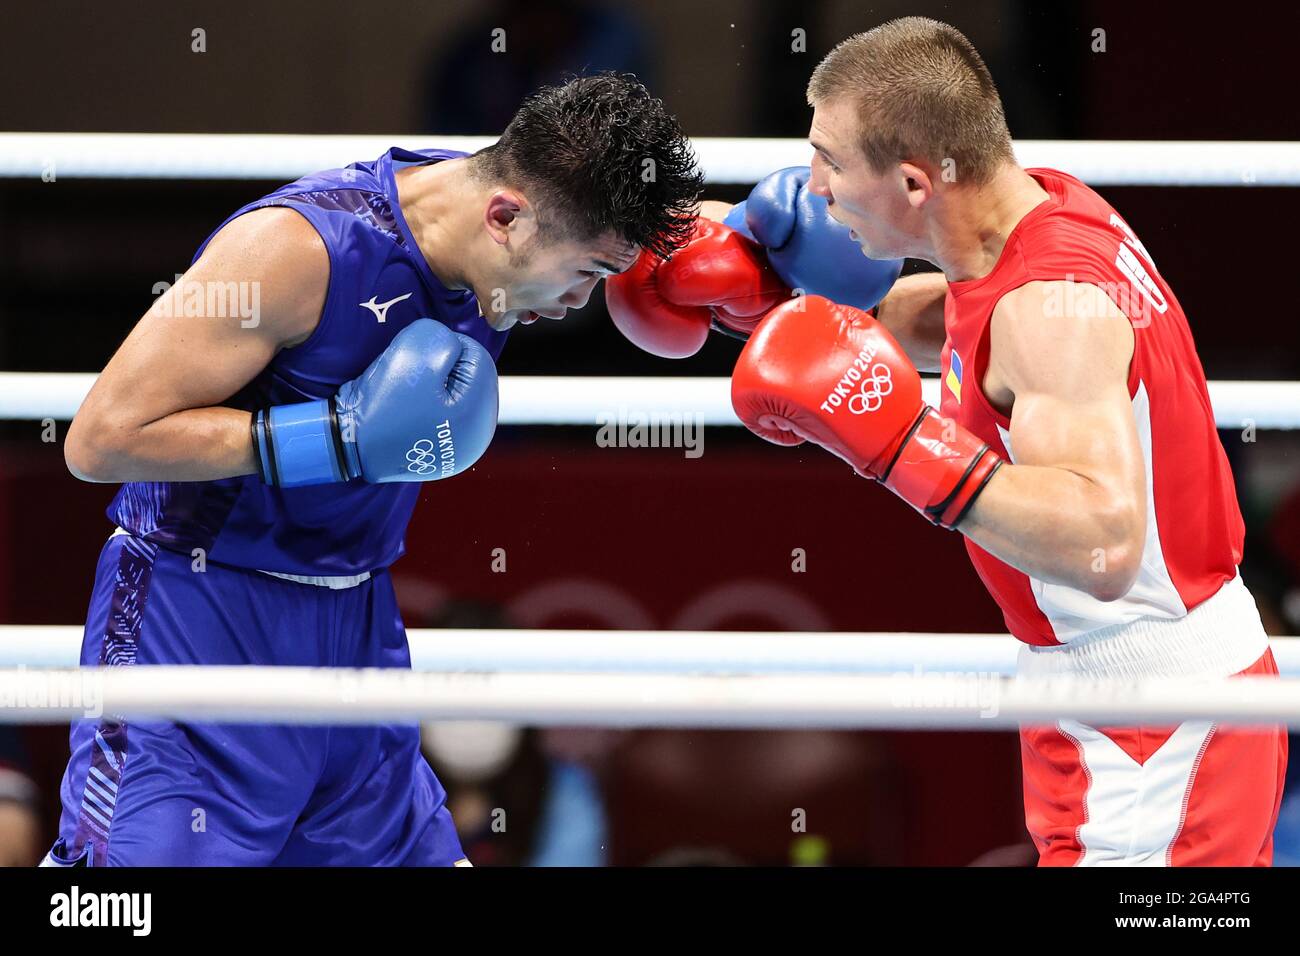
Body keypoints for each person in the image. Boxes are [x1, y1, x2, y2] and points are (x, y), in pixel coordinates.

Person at [607, 17, 1286, 866]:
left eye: (832, 161)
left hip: (1151, 723)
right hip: (1138, 699)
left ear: (917, 183)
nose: (813, 187)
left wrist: (898, 445)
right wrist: (769, 307)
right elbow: (968, 324)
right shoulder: (1040, 211)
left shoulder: (1049, 311)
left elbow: (1105, 543)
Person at [45, 73, 703, 866]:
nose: (577, 304)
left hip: (357, 624)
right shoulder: (294, 250)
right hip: (197, 618)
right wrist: (335, 438)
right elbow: (102, 439)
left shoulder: (520, 197)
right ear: (506, 218)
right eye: (586, 274)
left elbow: (695, 229)